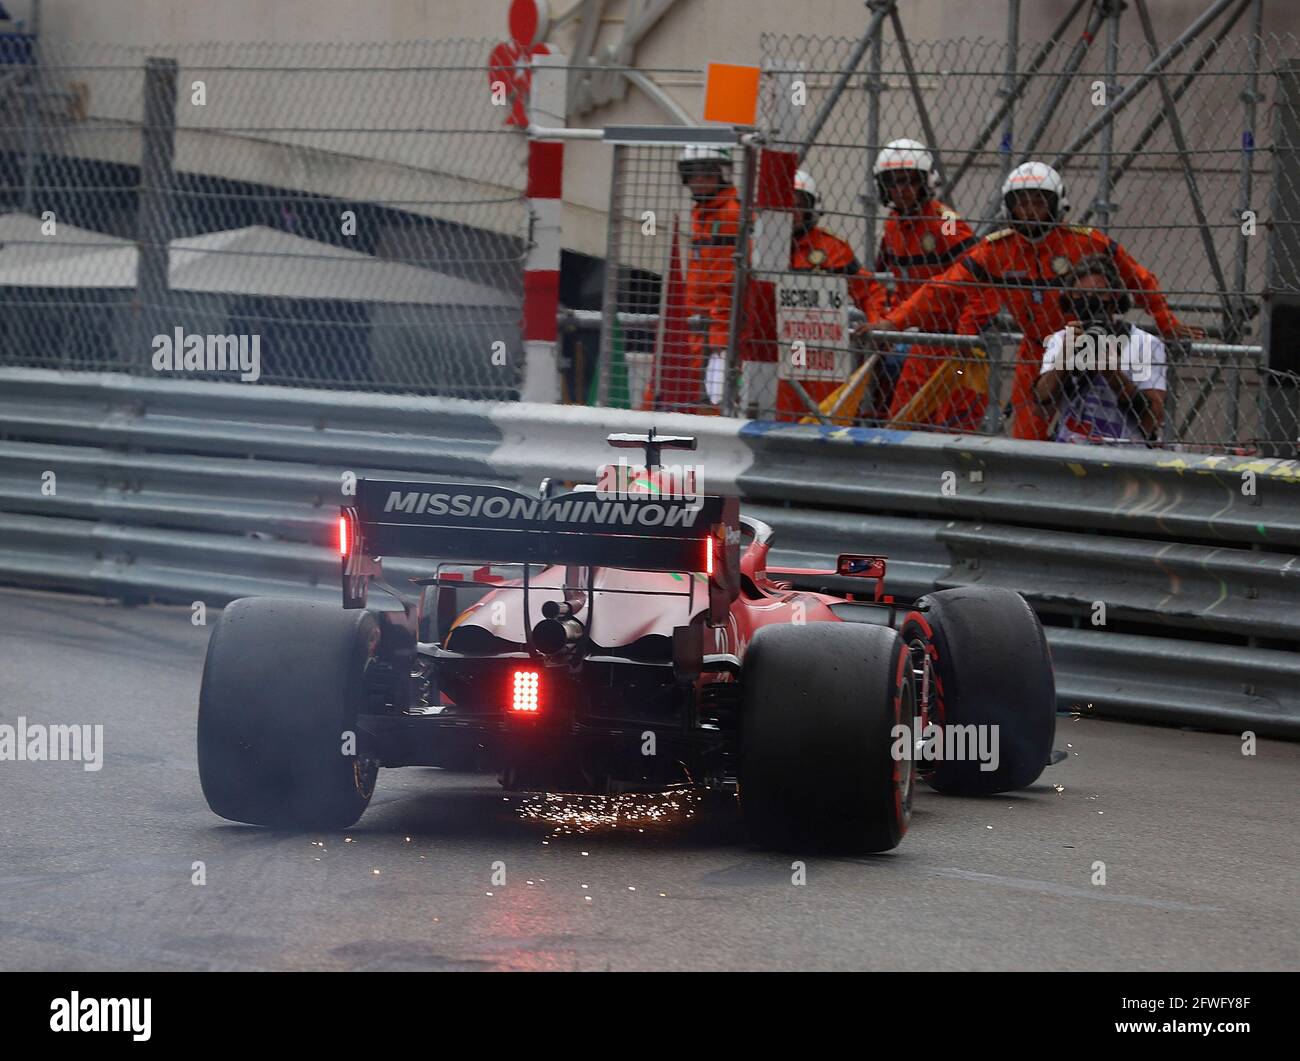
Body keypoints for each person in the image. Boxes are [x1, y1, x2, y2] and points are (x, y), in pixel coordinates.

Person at [856, 160, 1203, 440]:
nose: (1030, 210)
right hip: (1038, 352)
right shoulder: (998, 250)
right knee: (1027, 441)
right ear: (1009, 207)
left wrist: (1168, 325)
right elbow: (942, 288)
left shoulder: (1087, 242)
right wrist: (893, 322)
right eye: (1021, 202)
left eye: (1038, 201)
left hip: (1097, 348)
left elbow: (1141, 282)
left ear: (1057, 204)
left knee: (1107, 430)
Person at [871, 138, 986, 430]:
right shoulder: (892, 226)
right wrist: (888, 322)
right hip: (924, 340)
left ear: (926, 182)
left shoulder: (946, 223)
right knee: (903, 420)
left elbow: (979, 280)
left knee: (953, 425)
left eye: (909, 181)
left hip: (957, 342)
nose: (901, 189)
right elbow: (897, 285)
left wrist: (966, 335)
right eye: (894, 182)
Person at [774, 168, 885, 420]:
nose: (791, 213)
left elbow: (867, 290)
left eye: (797, 205)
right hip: (774, 349)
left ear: (811, 208)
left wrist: (876, 322)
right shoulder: (757, 248)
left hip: (822, 352)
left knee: (826, 415)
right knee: (778, 417)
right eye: (785, 206)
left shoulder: (832, 248)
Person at [1035, 255, 1167, 445]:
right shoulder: (1062, 338)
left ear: (1114, 297)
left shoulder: (1144, 343)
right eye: (1079, 295)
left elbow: (1152, 420)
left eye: (1098, 294)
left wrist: (1111, 372)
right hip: (1069, 451)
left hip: (1124, 454)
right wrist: (1064, 359)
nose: (1089, 300)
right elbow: (1041, 409)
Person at [667, 143, 742, 412]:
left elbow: (728, 284)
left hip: (717, 328)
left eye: (706, 174)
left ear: (721, 174)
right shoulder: (705, 212)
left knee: (714, 402)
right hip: (699, 323)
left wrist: (718, 338)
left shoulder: (729, 214)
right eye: (693, 174)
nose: (698, 181)